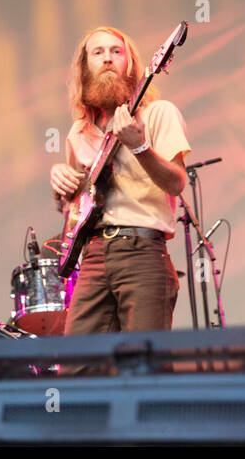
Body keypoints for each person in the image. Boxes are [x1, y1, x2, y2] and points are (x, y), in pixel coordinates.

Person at [50, 27, 190, 334]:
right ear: (85, 68)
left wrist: (140, 147)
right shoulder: (77, 133)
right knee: (79, 365)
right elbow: (74, 209)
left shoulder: (158, 114)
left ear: (131, 64)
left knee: (142, 362)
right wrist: (61, 188)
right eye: (97, 53)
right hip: (94, 255)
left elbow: (177, 183)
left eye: (117, 51)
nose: (108, 59)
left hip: (142, 249)